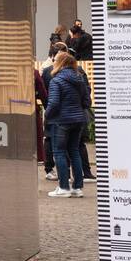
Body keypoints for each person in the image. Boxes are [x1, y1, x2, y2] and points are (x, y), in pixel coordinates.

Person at [45, 51, 89, 197]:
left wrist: (47, 115)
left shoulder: (56, 81)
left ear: (61, 63)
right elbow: (86, 102)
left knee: (59, 152)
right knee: (74, 151)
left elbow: (54, 103)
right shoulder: (80, 79)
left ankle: (63, 187)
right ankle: (77, 188)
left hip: (61, 121)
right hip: (78, 120)